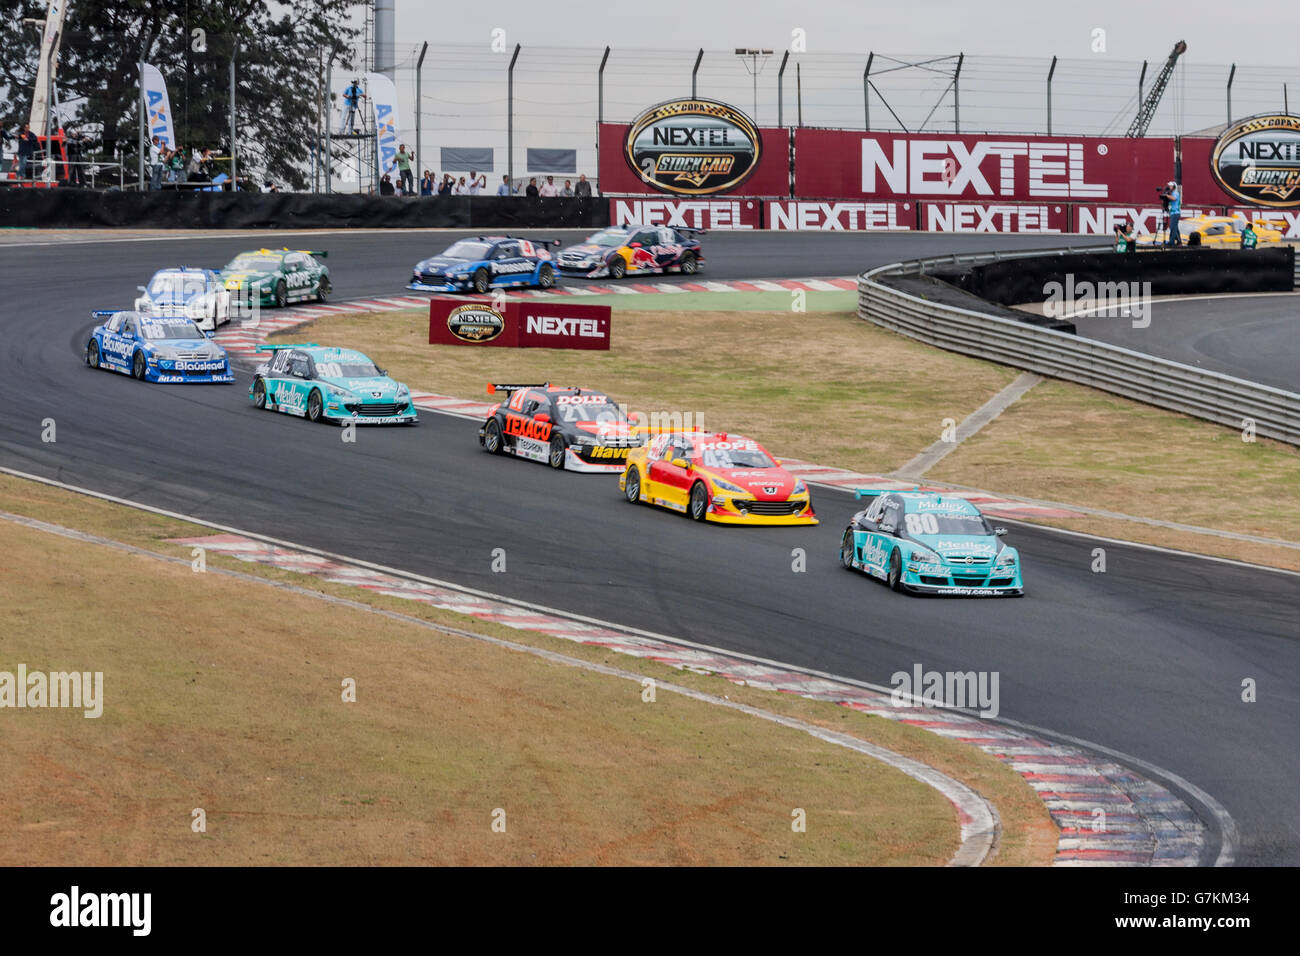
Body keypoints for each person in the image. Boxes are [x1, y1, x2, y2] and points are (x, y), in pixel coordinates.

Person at [1164, 180, 1181, 247]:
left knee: (1172, 227)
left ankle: (1171, 242)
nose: (1169, 187)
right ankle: (1179, 242)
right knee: (1175, 228)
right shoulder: (1171, 193)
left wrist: (1167, 195)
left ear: (1174, 187)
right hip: (1173, 213)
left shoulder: (1175, 193)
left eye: (1171, 186)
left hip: (1175, 213)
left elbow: (1174, 198)